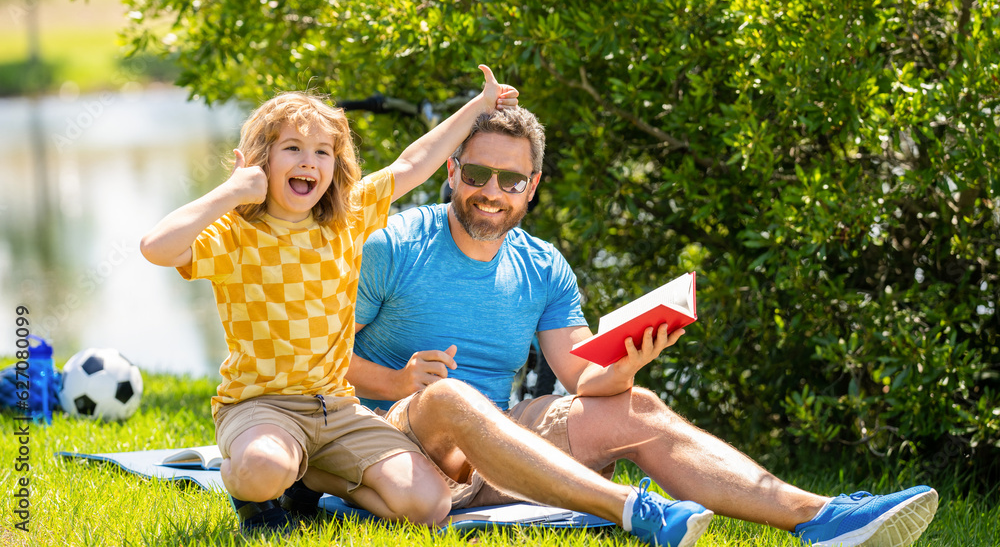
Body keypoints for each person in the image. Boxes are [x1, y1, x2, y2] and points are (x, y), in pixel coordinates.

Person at [345, 106, 940, 547]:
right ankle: (631, 509)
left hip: (495, 452)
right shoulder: (393, 244)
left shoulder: (542, 265)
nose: (491, 192)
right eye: (477, 174)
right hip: (399, 444)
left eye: (512, 180)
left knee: (640, 406)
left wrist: (625, 365)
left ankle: (822, 517)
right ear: (451, 171)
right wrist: (397, 380)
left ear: (532, 188)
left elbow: (581, 378)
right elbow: (318, 358)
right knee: (450, 396)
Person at [139, 65, 519, 535]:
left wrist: (478, 108)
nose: (309, 162)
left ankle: (313, 473)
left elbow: (411, 165)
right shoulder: (235, 233)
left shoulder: (347, 218)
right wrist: (233, 190)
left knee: (429, 504)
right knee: (262, 470)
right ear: (262, 160)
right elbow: (156, 247)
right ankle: (258, 485)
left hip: (336, 408)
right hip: (262, 405)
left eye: (323, 152)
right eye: (293, 149)